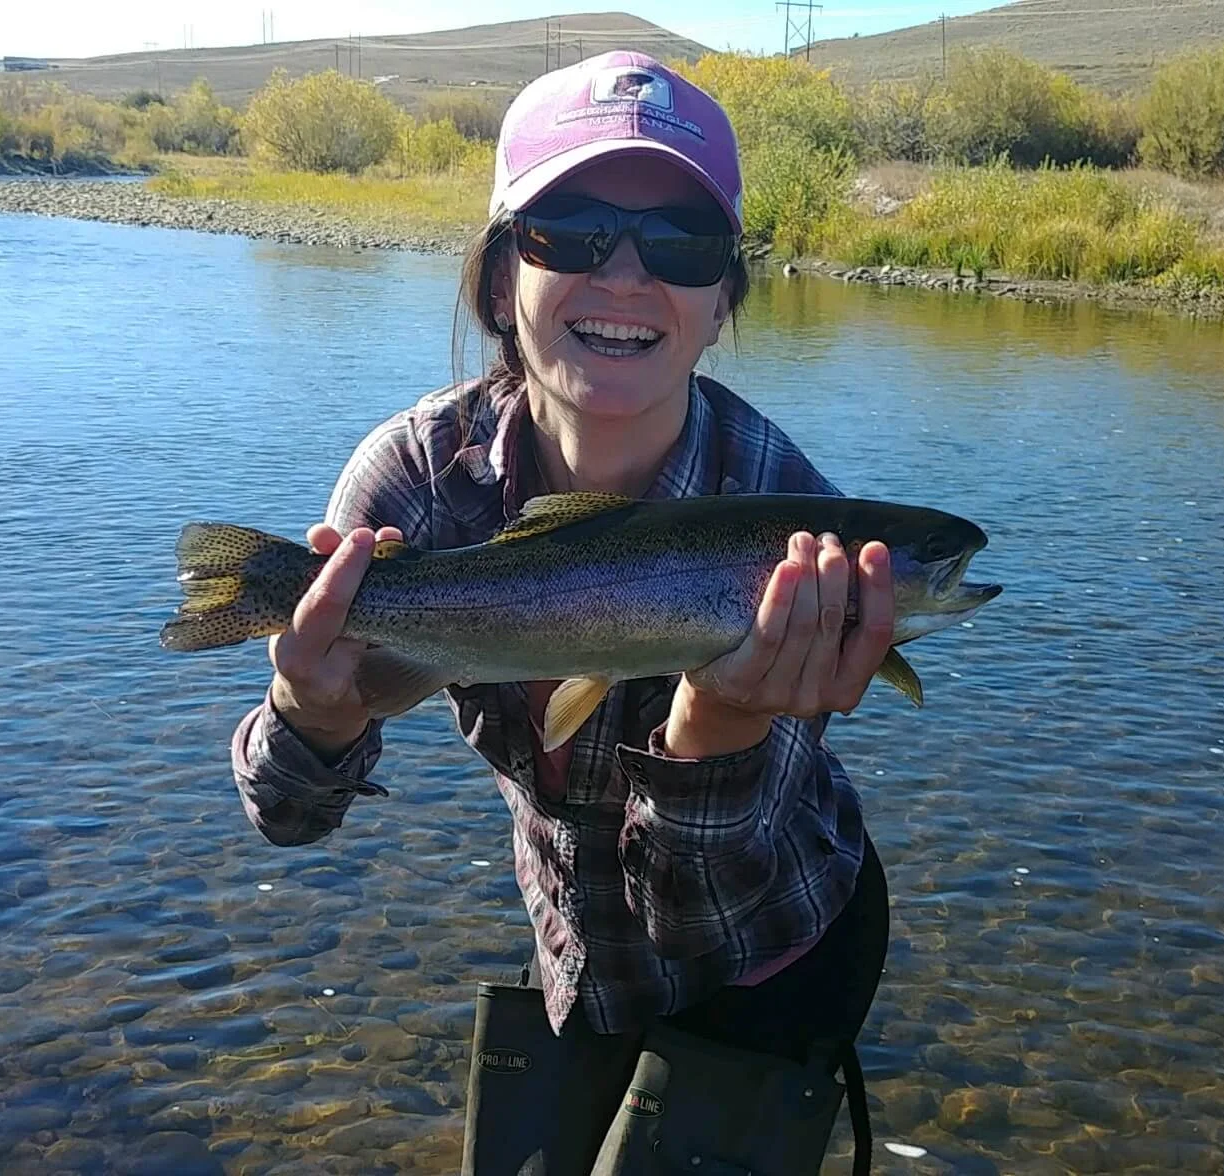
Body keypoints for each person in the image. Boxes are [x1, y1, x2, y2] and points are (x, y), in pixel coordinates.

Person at [230, 50, 892, 1175]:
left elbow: (697, 917)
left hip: (771, 949)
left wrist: (716, 731)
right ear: (500, 284)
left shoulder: (794, 533)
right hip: (575, 951)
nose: (625, 276)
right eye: (571, 231)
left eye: (680, 243)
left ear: (722, 302)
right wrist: (312, 717)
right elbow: (288, 820)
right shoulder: (416, 484)